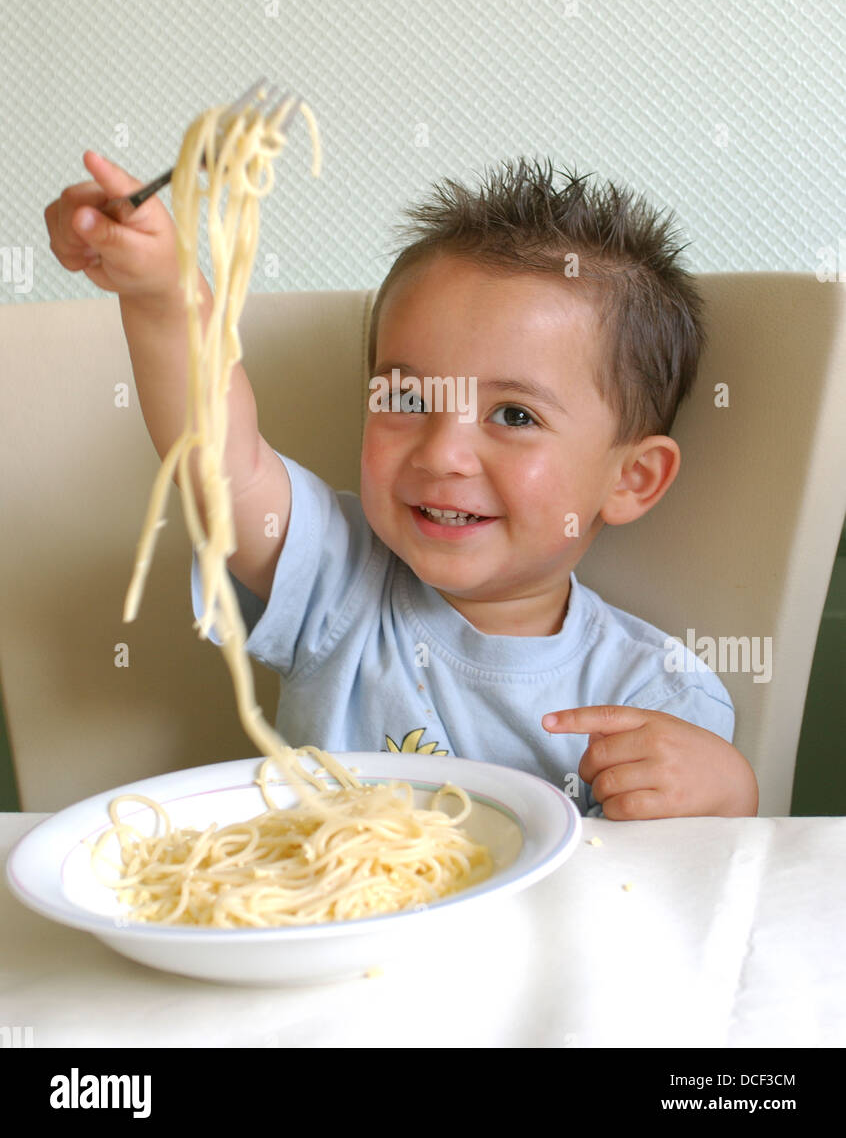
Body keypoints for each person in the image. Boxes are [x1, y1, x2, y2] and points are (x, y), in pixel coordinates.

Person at [45, 149, 759, 819]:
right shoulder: (337, 579)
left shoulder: (653, 691)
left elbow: (686, 887)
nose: (444, 452)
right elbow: (220, 461)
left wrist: (731, 795)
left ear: (631, 478)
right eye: (407, 400)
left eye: (513, 415)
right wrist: (166, 297)